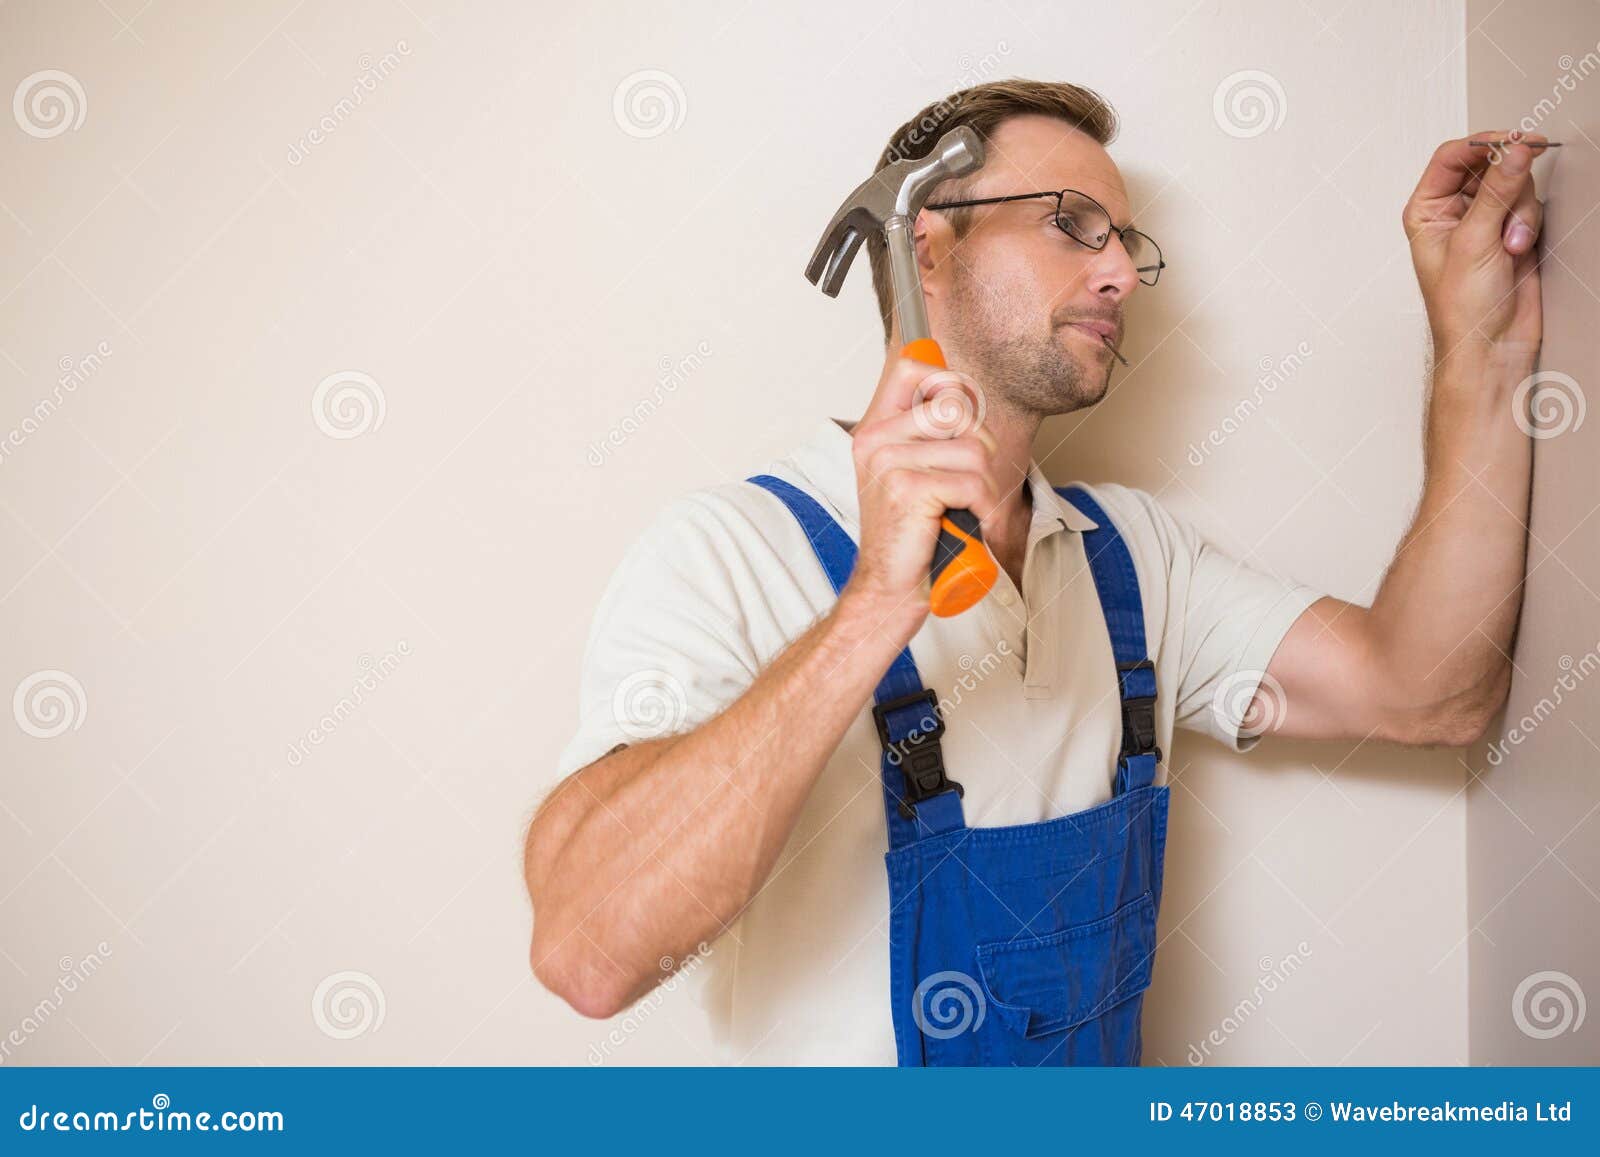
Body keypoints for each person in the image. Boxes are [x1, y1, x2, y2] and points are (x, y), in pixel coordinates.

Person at [523, 80, 1544, 1065]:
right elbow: (589, 951)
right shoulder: (731, 549)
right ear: (924, 241)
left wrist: (1480, 349)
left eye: (1126, 242)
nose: (1122, 275)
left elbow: (1432, 690)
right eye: (1070, 223)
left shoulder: (1132, 561)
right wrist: (876, 602)